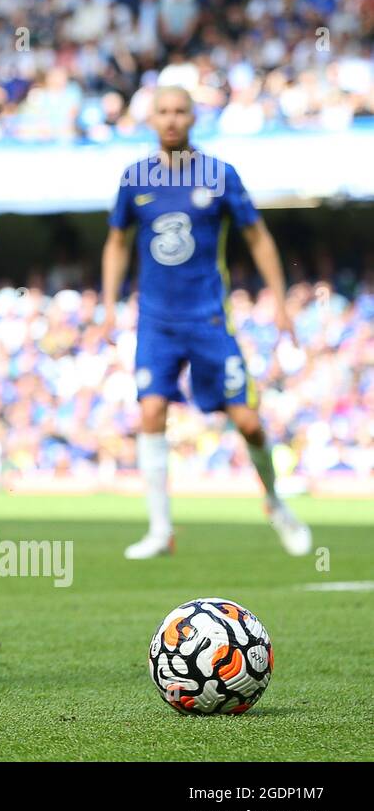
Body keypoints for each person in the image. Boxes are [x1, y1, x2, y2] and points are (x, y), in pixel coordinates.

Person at [101, 85, 311, 560]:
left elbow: (257, 237)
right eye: (163, 112)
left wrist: (279, 301)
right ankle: (160, 531)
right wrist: (110, 304)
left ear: (193, 117)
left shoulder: (219, 175)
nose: (172, 119)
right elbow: (116, 241)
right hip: (156, 319)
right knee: (151, 411)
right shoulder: (135, 178)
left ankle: (275, 503)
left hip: (209, 317)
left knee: (248, 421)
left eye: (180, 111)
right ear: (151, 119)